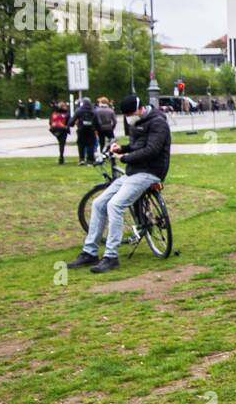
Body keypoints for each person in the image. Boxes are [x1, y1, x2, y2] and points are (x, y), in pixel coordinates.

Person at [66, 94, 171, 274]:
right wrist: (122, 148)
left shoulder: (158, 122)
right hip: (134, 172)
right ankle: (90, 251)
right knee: (98, 203)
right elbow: (138, 145)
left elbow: (152, 149)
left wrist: (125, 157)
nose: (129, 117)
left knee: (115, 205)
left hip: (150, 172)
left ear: (139, 109)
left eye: (130, 114)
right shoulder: (139, 121)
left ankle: (111, 256)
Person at [73, 96, 98, 165]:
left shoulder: (79, 110)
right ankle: (90, 160)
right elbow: (97, 121)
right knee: (90, 144)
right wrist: (97, 128)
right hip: (91, 130)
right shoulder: (93, 111)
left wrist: (70, 125)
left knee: (81, 144)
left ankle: (81, 159)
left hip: (81, 129)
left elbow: (73, 119)